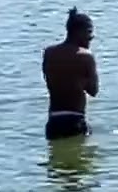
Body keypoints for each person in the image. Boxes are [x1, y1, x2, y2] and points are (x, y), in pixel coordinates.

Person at [42, 8, 99, 141]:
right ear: (78, 32)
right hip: (74, 121)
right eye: (89, 32)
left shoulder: (49, 53)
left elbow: (48, 79)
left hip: (53, 122)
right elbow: (94, 91)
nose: (92, 37)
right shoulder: (86, 57)